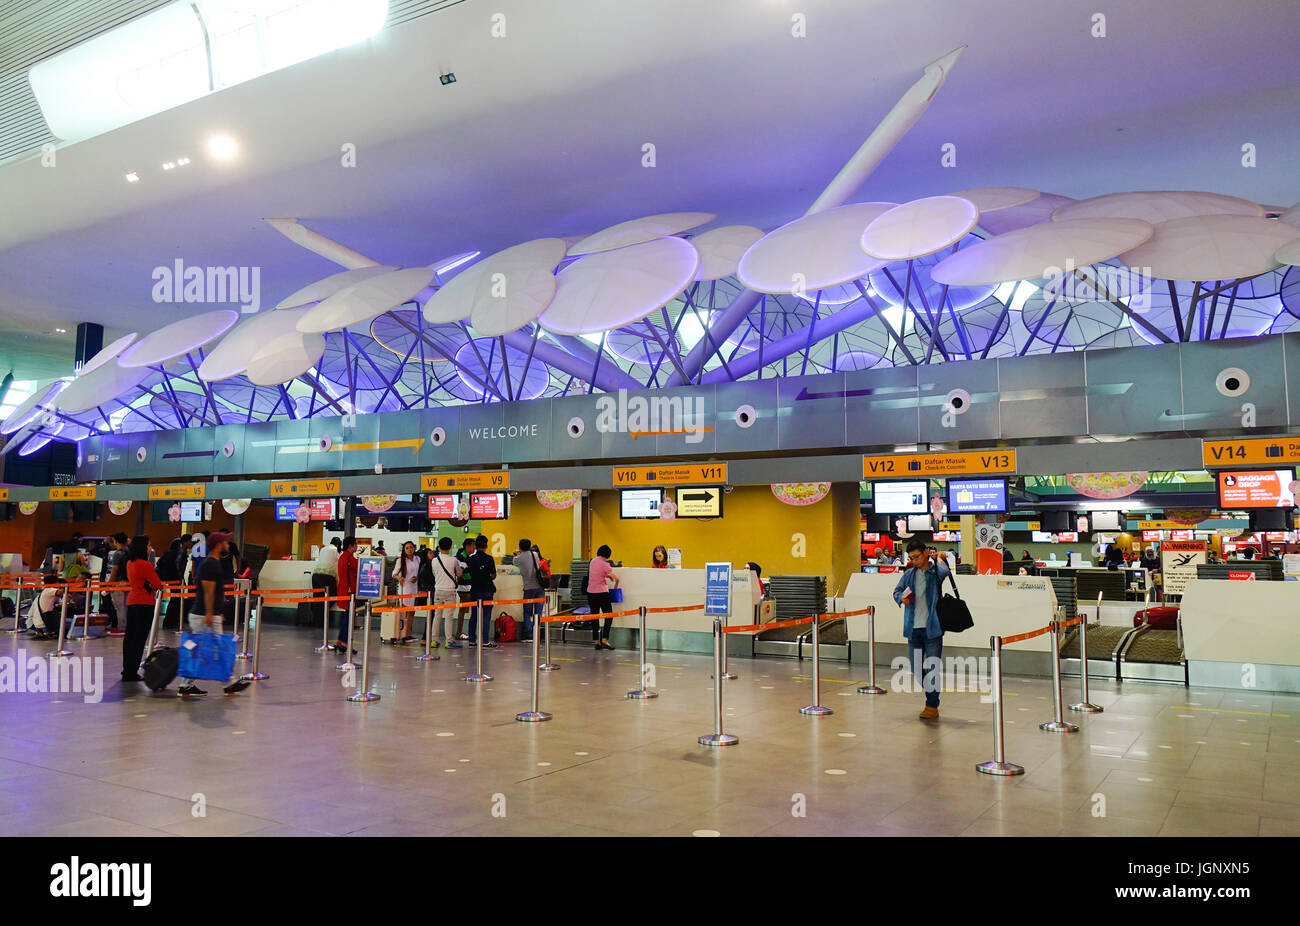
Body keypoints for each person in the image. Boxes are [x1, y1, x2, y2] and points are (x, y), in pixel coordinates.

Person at [178, 531, 250, 699]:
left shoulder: (213, 563)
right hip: (204, 615)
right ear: (218, 545)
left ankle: (187, 684)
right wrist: (211, 613)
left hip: (206, 614)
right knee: (211, 649)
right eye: (225, 542)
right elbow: (208, 591)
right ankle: (227, 683)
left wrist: (217, 612)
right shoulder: (210, 564)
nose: (228, 545)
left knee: (204, 649)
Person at [891, 538, 951, 721]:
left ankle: (932, 705)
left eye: (917, 556)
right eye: (911, 557)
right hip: (913, 629)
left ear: (925, 553)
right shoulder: (909, 574)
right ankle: (932, 692)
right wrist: (901, 598)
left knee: (932, 668)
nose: (914, 561)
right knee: (917, 669)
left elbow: (945, 571)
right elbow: (896, 591)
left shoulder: (935, 574)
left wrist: (939, 559)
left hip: (932, 629)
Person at [121, 535, 161, 683]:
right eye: (149, 545)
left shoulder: (130, 563)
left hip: (132, 601)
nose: (150, 548)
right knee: (139, 639)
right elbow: (158, 584)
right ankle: (132, 672)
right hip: (145, 603)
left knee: (130, 638)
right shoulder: (145, 564)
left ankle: (127, 670)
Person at [464, 534, 497, 647]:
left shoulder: (470, 559)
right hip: (487, 590)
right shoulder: (489, 559)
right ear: (486, 546)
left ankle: (472, 640)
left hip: (475, 590)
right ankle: (485, 641)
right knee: (486, 617)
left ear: (476, 546)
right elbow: (493, 575)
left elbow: (466, 573)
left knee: (474, 616)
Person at [431, 537, 464, 648]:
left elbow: (435, 574)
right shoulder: (453, 560)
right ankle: (448, 641)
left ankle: (434, 640)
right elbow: (459, 574)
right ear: (450, 547)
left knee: (437, 615)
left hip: (438, 590)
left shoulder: (434, 560)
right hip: (450, 591)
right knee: (448, 617)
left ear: (439, 547)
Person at [587, 544, 619, 651]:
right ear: (608, 554)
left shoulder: (592, 561)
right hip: (602, 593)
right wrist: (615, 586)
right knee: (609, 615)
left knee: (594, 617)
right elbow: (616, 579)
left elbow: (597, 573)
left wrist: (606, 575)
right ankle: (605, 640)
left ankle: (596, 641)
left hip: (591, 592)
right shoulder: (606, 565)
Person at [513, 539, 544, 642]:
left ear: (520, 546)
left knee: (527, 612)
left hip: (528, 588)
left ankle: (529, 635)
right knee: (538, 613)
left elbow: (514, 562)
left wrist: (516, 553)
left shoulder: (518, 558)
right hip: (539, 587)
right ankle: (537, 633)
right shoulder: (535, 554)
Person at [332, 536, 359, 653]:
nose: (357, 547)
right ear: (351, 546)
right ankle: (344, 642)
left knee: (347, 617)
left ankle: (339, 641)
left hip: (343, 589)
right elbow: (359, 567)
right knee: (349, 618)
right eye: (355, 544)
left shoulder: (342, 557)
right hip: (349, 591)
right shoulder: (349, 557)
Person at [391, 541, 421, 644]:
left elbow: (419, 572)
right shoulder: (401, 560)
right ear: (404, 550)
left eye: (411, 547)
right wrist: (399, 577)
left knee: (412, 612)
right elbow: (394, 574)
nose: (409, 549)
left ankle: (408, 634)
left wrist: (417, 578)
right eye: (407, 548)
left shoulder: (418, 559)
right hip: (405, 588)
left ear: (414, 548)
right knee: (405, 613)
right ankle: (403, 634)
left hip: (415, 588)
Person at [104, 532, 129, 633]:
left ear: (116, 541)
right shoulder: (129, 551)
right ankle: (127, 626)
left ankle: (122, 627)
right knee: (126, 606)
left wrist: (109, 584)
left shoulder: (117, 553)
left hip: (118, 583)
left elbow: (115, 570)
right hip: (128, 582)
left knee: (120, 607)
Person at [311, 541, 340, 629]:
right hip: (327, 576)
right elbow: (338, 565)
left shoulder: (323, 549)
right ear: (338, 544)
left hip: (315, 575)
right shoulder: (336, 551)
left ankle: (316, 621)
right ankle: (323, 620)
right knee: (333, 595)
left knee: (317, 598)